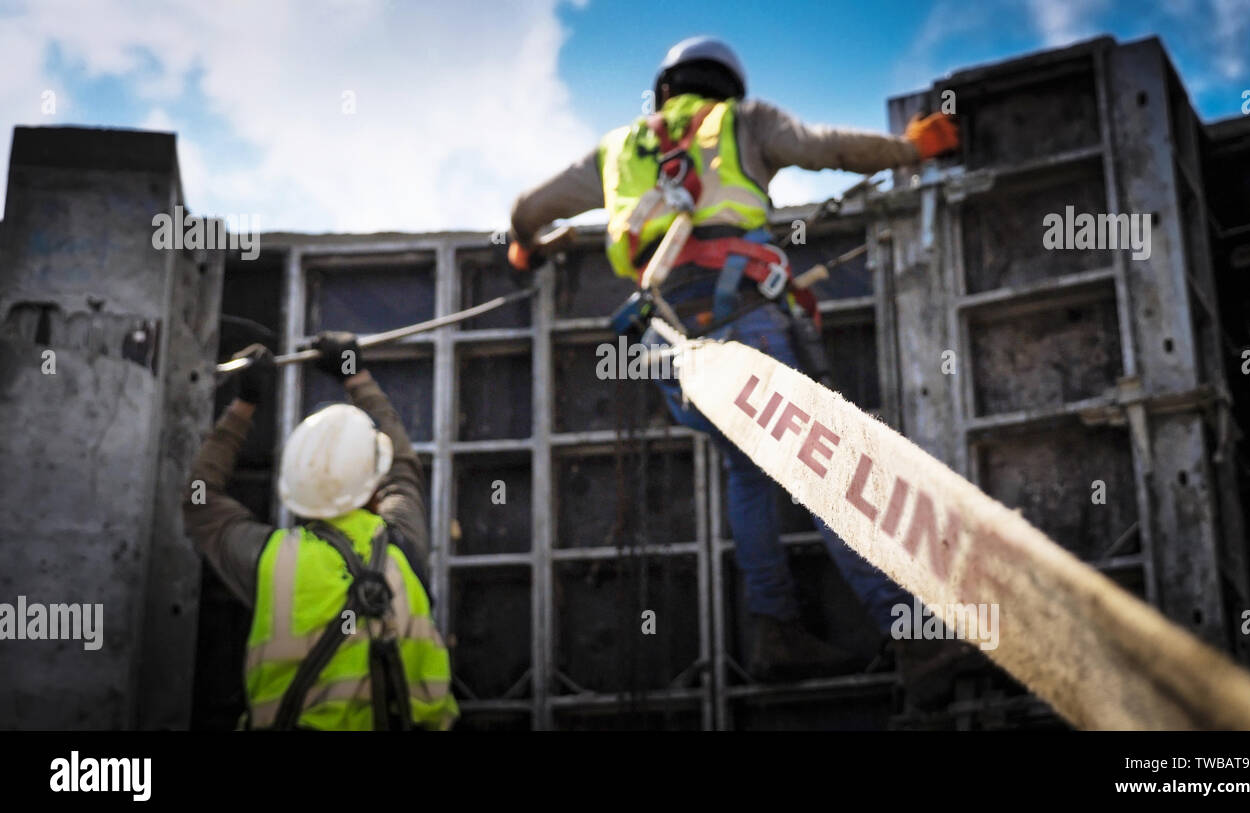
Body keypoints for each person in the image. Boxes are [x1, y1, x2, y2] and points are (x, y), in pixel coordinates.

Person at [507, 36, 964, 683]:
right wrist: (912, 148)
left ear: (665, 89)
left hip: (671, 341)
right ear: (729, 86)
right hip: (745, 315)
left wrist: (530, 246)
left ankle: (774, 629)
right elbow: (827, 146)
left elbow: (527, 210)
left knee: (749, 472)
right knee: (820, 470)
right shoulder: (743, 122)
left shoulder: (617, 149)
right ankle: (911, 635)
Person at [184, 332, 458, 729]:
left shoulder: (270, 563)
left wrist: (243, 405)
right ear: (374, 485)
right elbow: (402, 468)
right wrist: (355, 375)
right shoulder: (402, 540)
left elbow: (198, 501)